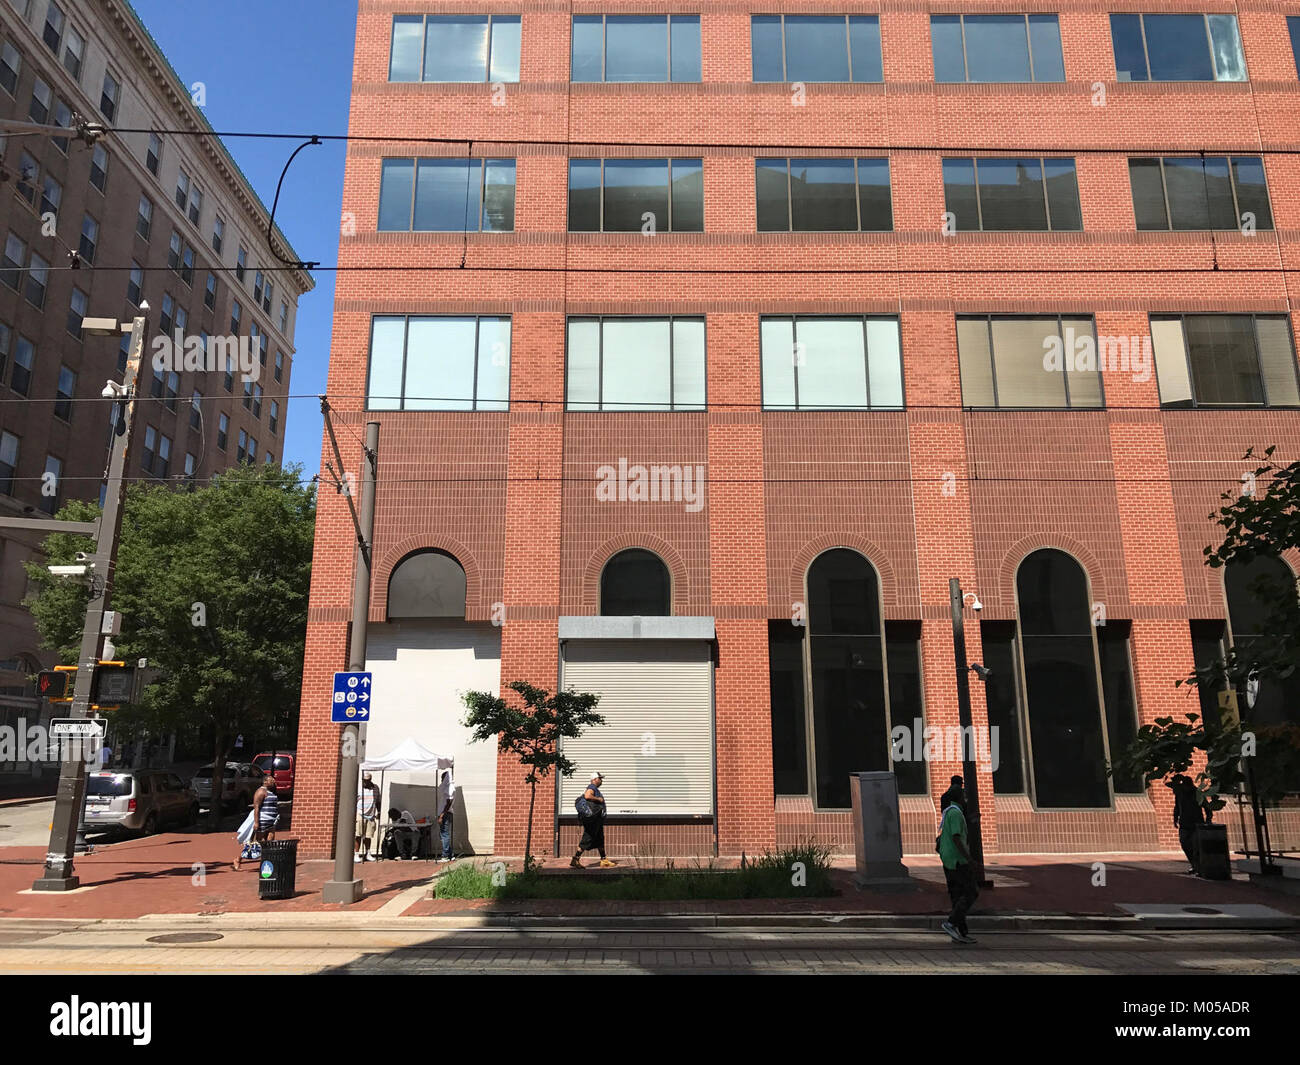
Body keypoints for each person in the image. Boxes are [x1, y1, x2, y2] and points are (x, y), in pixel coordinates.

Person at [938, 782, 978, 944]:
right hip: (957, 860)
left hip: (948, 859)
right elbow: (956, 837)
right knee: (971, 892)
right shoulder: (955, 813)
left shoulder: (949, 811)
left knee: (957, 896)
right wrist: (969, 859)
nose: (966, 798)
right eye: (964, 796)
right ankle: (951, 923)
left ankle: (960, 932)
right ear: (960, 798)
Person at [570, 772, 615, 868]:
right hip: (593, 821)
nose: (601, 780)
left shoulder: (594, 788)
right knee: (587, 838)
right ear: (595, 779)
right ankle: (575, 859)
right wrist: (599, 799)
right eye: (600, 778)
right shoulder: (592, 787)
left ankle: (604, 860)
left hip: (597, 820)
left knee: (600, 839)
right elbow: (587, 796)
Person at [1170, 774, 1205, 875]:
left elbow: (1205, 805)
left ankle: (1198, 866)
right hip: (1184, 823)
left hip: (1196, 822)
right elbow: (1177, 806)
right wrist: (1175, 818)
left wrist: (1208, 818)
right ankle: (1194, 864)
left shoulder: (1197, 793)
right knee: (1185, 843)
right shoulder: (1180, 793)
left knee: (1196, 846)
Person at [355, 772, 380, 862]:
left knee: (368, 836)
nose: (365, 782)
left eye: (367, 781)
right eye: (363, 780)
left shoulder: (376, 788)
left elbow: (378, 801)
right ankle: (356, 854)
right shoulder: (358, 788)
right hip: (360, 813)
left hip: (371, 815)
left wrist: (379, 811)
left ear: (370, 780)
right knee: (358, 834)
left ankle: (368, 853)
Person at [437, 770, 454, 862]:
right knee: (443, 835)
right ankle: (450, 854)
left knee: (445, 835)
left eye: (442, 778)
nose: (441, 780)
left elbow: (448, 803)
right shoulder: (448, 787)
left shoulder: (449, 787)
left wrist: (442, 815)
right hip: (446, 814)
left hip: (445, 814)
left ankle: (445, 856)